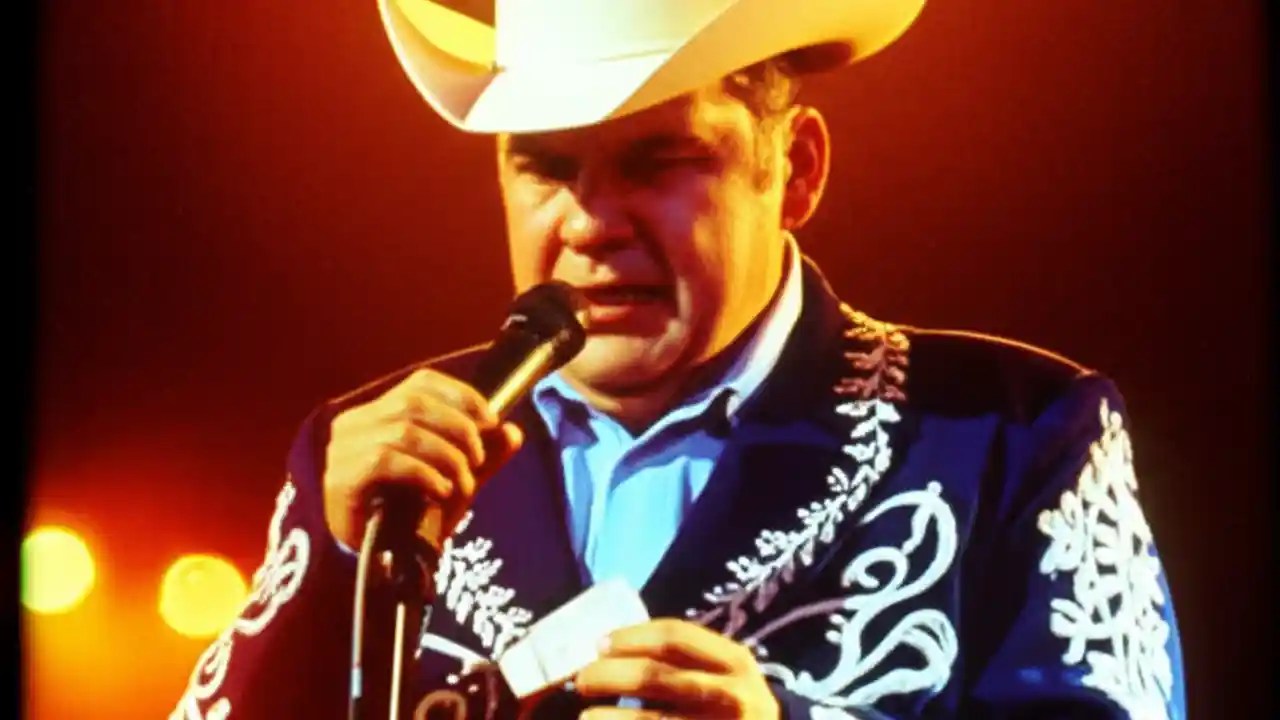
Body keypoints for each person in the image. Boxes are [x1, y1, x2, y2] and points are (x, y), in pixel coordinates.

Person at [170, 0, 1187, 717]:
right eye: (544, 167)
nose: (588, 222)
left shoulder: (1014, 431)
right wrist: (328, 578)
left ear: (793, 171)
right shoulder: (367, 458)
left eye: (657, 163)